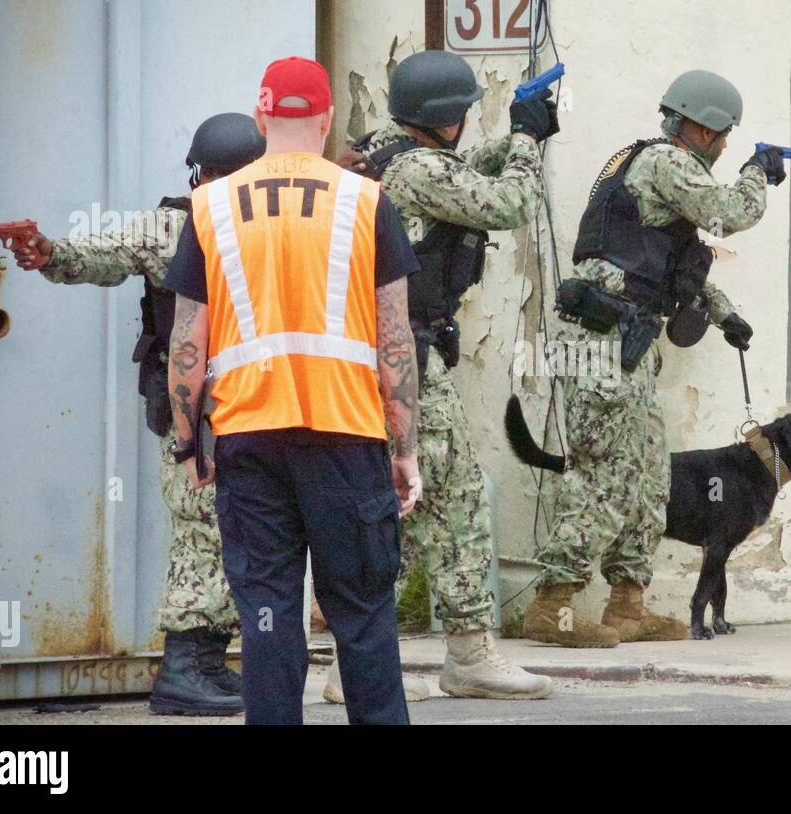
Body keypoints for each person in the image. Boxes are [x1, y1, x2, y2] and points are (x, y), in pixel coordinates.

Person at [163, 56, 422, 725]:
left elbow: (187, 340)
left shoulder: (211, 206)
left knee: (270, 619)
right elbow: (396, 340)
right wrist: (405, 449)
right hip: (347, 434)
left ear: (261, 117)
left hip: (250, 441)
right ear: (328, 118)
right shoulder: (367, 201)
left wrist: (191, 441)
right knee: (362, 615)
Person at [11, 113, 266, 716]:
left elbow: (93, 253)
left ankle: (205, 660)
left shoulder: (185, 221)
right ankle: (184, 669)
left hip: (234, 407)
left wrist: (51, 252)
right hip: (207, 413)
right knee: (206, 535)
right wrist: (52, 253)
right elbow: (96, 255)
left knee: (227, 536)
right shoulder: (200, 224)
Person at [323, 50, 556, 702]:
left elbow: (457, 175)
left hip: (377, 359)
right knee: (448, 503)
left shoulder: (383, 151)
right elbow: (510, 202)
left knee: (391, 508)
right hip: (409, 363)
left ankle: (363, 662)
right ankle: (462, 657)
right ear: (447, 117)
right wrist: (529, 141)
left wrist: (512, 134)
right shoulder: (418, 168)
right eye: (465, 111)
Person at [523, 70, 785, 647]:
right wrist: (755, 174)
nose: (724, 147)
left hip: (629, 345)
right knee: (601, 474)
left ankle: (627, 605)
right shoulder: (667, 161)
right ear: (702, 125)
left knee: (646, 478)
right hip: (602, 341)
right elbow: (728, 213)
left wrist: (723, 314)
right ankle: (553, 605)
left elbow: (676, 267)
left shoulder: (660, 174)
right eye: (724, 137)